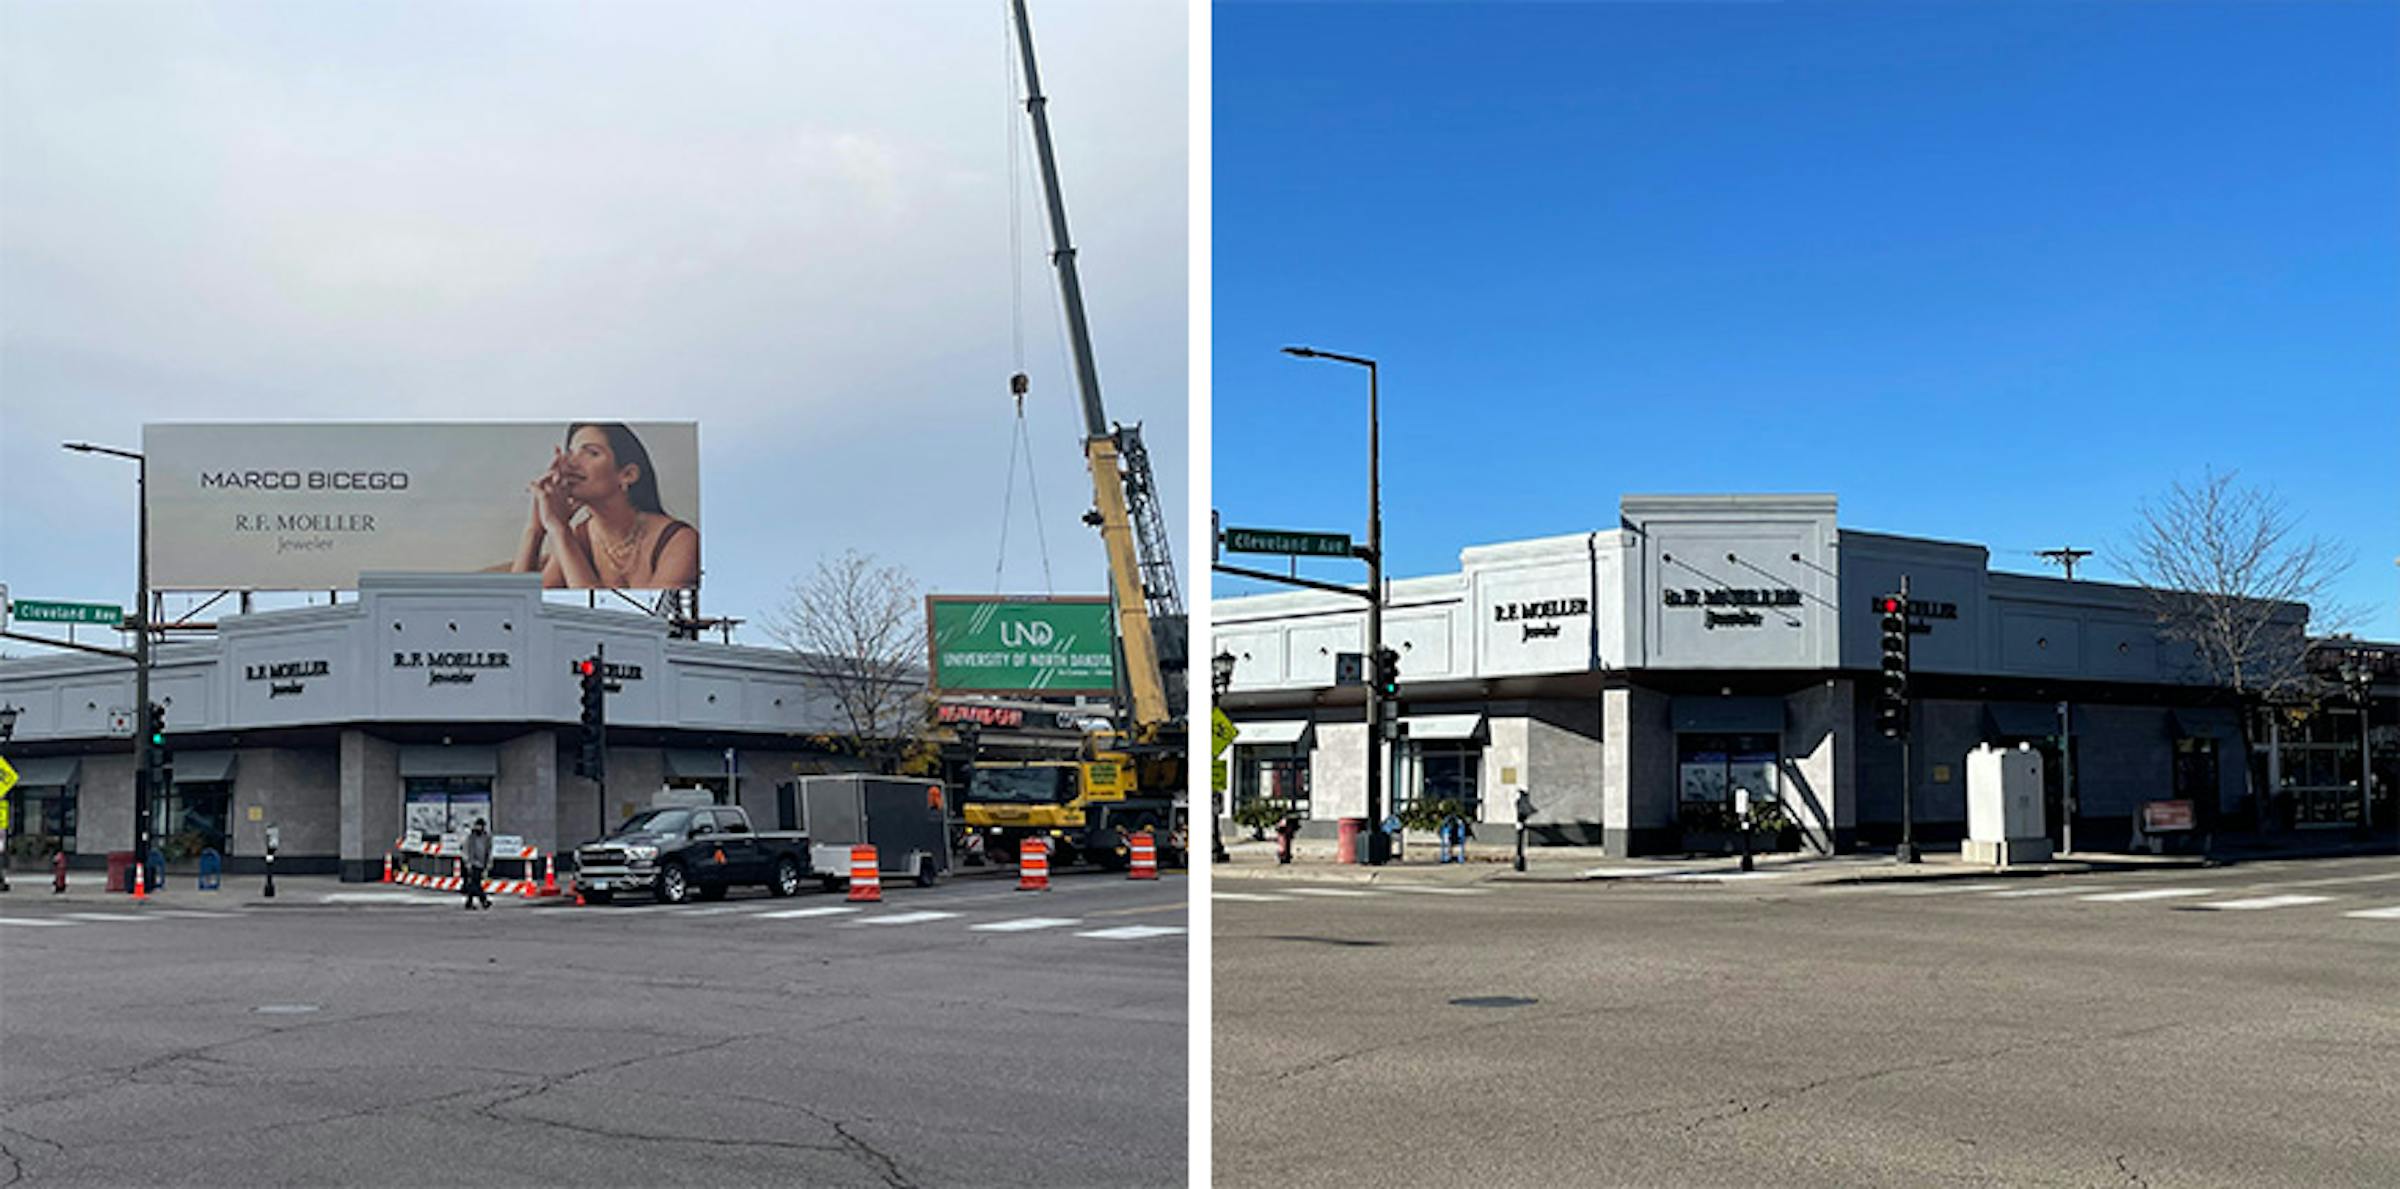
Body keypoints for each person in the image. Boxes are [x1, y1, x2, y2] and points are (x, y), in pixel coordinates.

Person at [511, 423, 700, 590]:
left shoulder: (681, 541)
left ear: (627, 475)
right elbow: (516, 608)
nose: (570, 464)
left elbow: (648, 626)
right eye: (570, 452)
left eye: (591, 453)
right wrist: (535, 529)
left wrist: (560, 530)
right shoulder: (579, 537)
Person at [463, 818, 494, 910]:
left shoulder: (487, 837)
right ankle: (484, 900)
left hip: (482, 863)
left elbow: (489, 851)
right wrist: (467, 862)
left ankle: (469, 902)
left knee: (474, 883)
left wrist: (488, 864)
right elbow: (466, 849)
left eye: (480, 826)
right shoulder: (471, 837)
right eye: (477, 825)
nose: (478, 828)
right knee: (475, 883)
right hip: (473, 863)